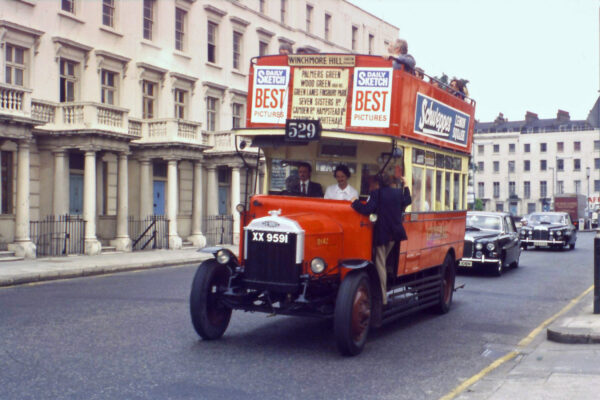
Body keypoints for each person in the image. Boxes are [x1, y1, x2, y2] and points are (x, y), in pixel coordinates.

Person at [351, 173, 411, 305]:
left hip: (381, 233)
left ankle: (382, 298)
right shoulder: (397, 193)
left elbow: (367, 209)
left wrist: (355, 202)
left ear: (378, 183)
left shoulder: (376, 194)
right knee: (382, 262)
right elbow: (408, 201)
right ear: (390, 182)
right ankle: (381, 293)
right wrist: (406, 185)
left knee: (380, 264)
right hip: (394, 234)